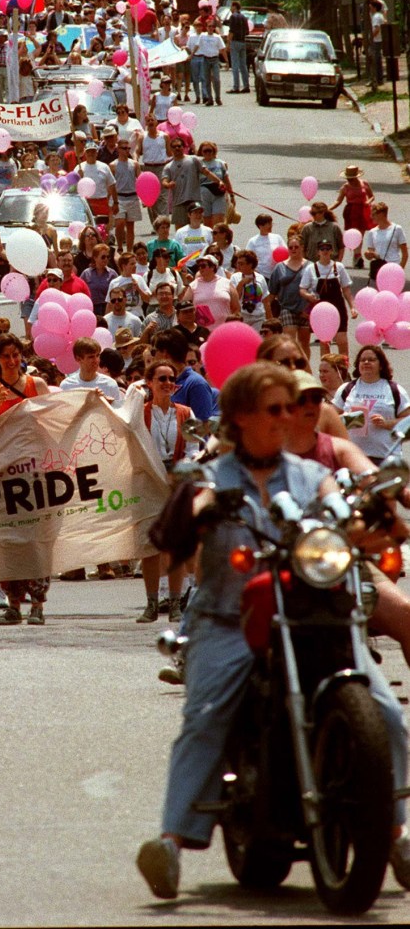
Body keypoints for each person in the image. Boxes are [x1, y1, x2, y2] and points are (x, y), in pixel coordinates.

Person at [137, 362, 410, 902]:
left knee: (386, 712)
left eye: (290, 407)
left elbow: (340, 505)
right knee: (208, 714)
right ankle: (168, 841)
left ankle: (395, 832)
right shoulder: (212, 471)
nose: (287, 417)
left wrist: (367, 515)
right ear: (240, 417)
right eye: (275, 409)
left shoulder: (308, 475)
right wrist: (202, 506)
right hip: (231, 619)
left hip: (318, 613)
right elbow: (174, 526)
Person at [0, 334, 50, 625]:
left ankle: (38, 605)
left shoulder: (36, 385)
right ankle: (13, 604)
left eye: (16, 355)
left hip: (32, 473)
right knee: (6, 538)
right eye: (6, 356)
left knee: (35, 538)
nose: (12, 361)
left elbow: (52, 423)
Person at [135, 359, 194, 625]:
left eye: (172, 379)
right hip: (149, 481)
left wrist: (180, 473)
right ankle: (150, 604)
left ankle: (175, 604)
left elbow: (194, 449)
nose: (168, 383)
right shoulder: (139, 412)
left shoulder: (185, 412)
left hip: (176, 481)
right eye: (162, 379)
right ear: (149, 383)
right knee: (150, 547)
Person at [332, 345, 410, 464]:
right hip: (353, 456)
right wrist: (347, 420)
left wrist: (387, 423)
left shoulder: (394, 389)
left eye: (371, 359)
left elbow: (408, 420)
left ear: (381, 365)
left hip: (386, 457)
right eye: (362, 360)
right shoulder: (347, 388)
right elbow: (330, 417)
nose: (366, 362)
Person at [299, 242, 357, 356]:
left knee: (342, 341)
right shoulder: (311, 268)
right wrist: (308, 296)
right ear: (318, 252)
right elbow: (302, 289)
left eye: (328, 248)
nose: (325, 251)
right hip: (322, 309)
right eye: (322, 248)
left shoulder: (338, 267)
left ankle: (344, 370)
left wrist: (352, 307)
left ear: (331, 251)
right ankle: (326, 369)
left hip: (338, 306)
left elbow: (346, 290)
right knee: (324, 342)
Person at [162, 138, 224, 230]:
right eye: (174, 147)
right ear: (171, 149)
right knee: (180, 230)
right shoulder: (168, 166)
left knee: (198, 228)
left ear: (183, 147)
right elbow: (164, 181)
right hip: (179, 202)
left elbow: (206, 172)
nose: (177, 148)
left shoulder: (193, 159)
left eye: (179, 146)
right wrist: (168, 185)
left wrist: (219, 181)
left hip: (194, 200)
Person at [268, 236, 311, 353]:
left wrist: (310, 309)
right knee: (290, 343)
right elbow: (272, 293)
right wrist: (266, 312)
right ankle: (290, 368)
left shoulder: (310, 267)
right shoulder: (279, 267)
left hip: (305, 310)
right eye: (290, 247)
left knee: (304, 344)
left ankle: (304, 369)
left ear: (302, 247)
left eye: (296, 247)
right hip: (287, 308)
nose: (293, 249)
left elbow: (316, 290)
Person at [180, 254, 240, 330]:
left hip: (225, 329)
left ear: (212, 267)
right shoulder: (193, 285)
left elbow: (236, 308)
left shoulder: (226, 283)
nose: (200, 268)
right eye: (199, 266)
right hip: (202, 331)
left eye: (203, 266)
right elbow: (184, 307)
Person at [59, 337, 122, 403]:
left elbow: (118, 411)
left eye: (97, 355)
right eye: (91, 357)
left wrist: (106, 403)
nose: (96, 360)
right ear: (78, 359)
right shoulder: (66, 385)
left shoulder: (110, 384)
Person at [364, 201, 408, 284]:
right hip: (379, 269)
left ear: (381, 214)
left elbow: (405, 254)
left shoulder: (397, 229)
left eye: (373, 215)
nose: (371, 217)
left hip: (393, 268)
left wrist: (400, 270)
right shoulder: (372, 232)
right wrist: (368, 255)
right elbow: (371, 255)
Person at [230, 250, 271, 332]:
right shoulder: (234, 277)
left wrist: (270, 320)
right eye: (238, 263)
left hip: (258, 316)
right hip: (242, 316)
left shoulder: (260, 278)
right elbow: (234, 298)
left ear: (250, 264)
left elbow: (266, 301)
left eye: (241, 264)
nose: (238, 266)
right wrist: (241, 283)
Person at [197, 142, 233, 228]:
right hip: (203, 194)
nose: (208, 153)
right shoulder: (198, 163)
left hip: (219, 193)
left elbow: (226, 180)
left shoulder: (221, 163)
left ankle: (218, 240)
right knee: (207, 222)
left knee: (218, 222)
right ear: (201, 152)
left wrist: (231, 196)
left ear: (214, 151)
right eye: (205, 151)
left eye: (210, 150)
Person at [244, 213, 285, 282]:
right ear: (260, 225)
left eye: (271, 223)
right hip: (261, 276)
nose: (271, 225)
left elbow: (285, 252)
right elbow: (247, 257)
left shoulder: (277, 237)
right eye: (268, 224)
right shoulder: (253, 241)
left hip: (277, 274)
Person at [225, 0, 250, 94]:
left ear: (234, 7)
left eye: (231, 7)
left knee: (235, 65)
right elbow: (247, 31)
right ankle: (246, 85)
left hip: (235, 41)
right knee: (243, 65)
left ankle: (236, 87)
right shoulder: (244, 17)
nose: (231, 9)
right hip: (243, 41)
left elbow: (232, 31)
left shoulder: (233, 16)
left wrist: (228, 43)